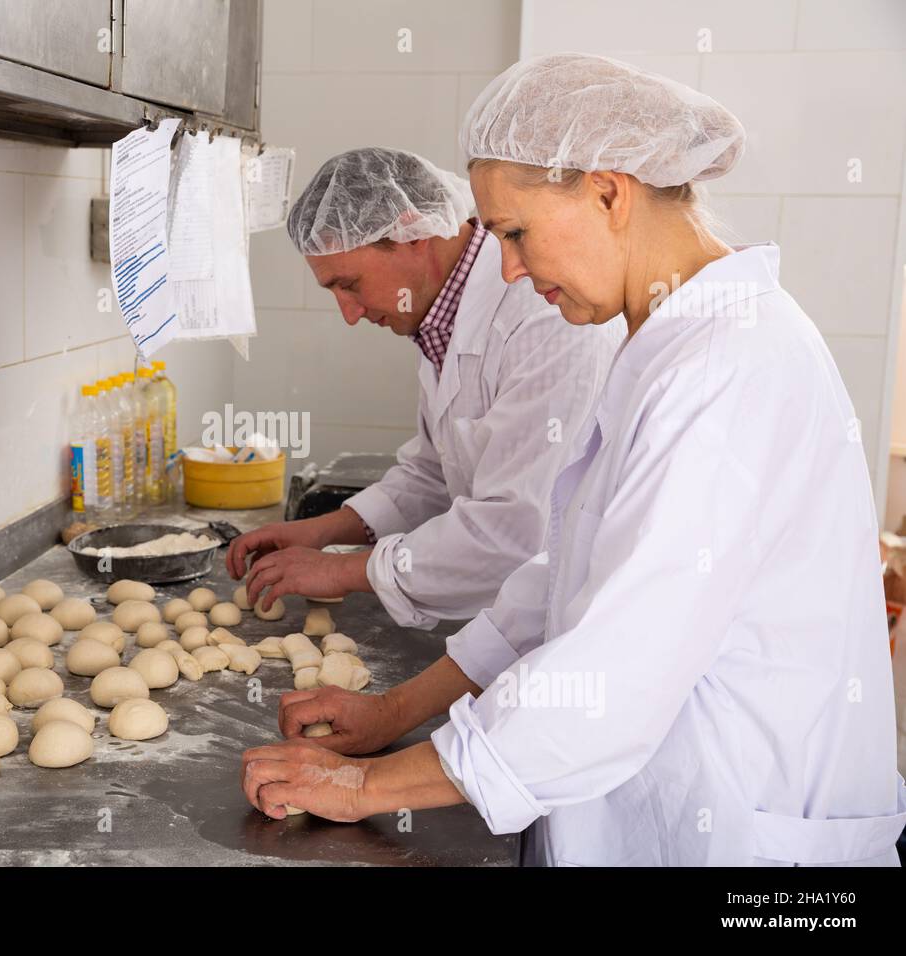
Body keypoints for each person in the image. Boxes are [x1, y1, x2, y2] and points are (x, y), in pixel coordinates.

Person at [240, 53, 906, 866]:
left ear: (608, 192)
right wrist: (394, 713)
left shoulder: (729, 368)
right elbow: (562, 585)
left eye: (515, 234)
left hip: (741, 843)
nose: (510, 270)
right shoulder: (664, 345)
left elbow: (617, 671)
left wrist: (367, 788)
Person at [227, 148, 620, 629]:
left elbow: (513, 532)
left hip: (571, 628)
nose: (349, 315)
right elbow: (435, 474)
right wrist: (320, 531)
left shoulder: (544, 317)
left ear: (411, 235)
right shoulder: (438, 315)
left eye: (349, 285)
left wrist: (341, 569)